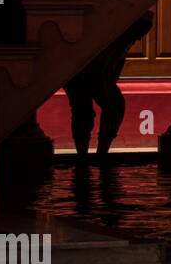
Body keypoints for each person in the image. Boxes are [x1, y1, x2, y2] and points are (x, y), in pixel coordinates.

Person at [64, 11, 155, 162]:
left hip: (96, 76)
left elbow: (112, 73)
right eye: (139, 33)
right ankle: (83, 156)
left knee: (116, 105)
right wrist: (106, 101)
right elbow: (96, 73)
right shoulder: (113, 40)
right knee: (83, 109)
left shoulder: (125, 41)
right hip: (77, 74)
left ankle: (101, 154)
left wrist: (108, 99)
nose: (139, 38)